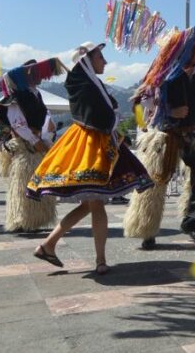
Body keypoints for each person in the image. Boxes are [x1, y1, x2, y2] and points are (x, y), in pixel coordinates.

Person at [28, 43, 153, 274]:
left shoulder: (86, 84)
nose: (104, 62)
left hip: (88, 141)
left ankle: (48, 245)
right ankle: (100, 261)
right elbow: (100, 117)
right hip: (90, 145)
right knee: (96, 203)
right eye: (101, 57)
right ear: (87, 60)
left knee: (89, 204)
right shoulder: (84, 85)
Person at [125, 23, 195, 250]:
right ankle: (146, 230)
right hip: (166, 135)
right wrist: (168, 112)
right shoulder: (165, 75)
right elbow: (140, 103)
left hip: (191, 134)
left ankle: (193, 223)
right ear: (188, 49)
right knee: (155, 182)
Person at [0, 58, 65, 232]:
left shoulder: (36, 94)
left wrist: (47, 135)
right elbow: (17, 124)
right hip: (26, 146)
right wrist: (35, 141)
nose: (40, 76)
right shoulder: (16, 96)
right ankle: (22, 219)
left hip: (38, 144)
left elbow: (44, 118)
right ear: (27, 74)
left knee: (35, 183)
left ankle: (34, 219)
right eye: (35, 72)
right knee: (23, 184)